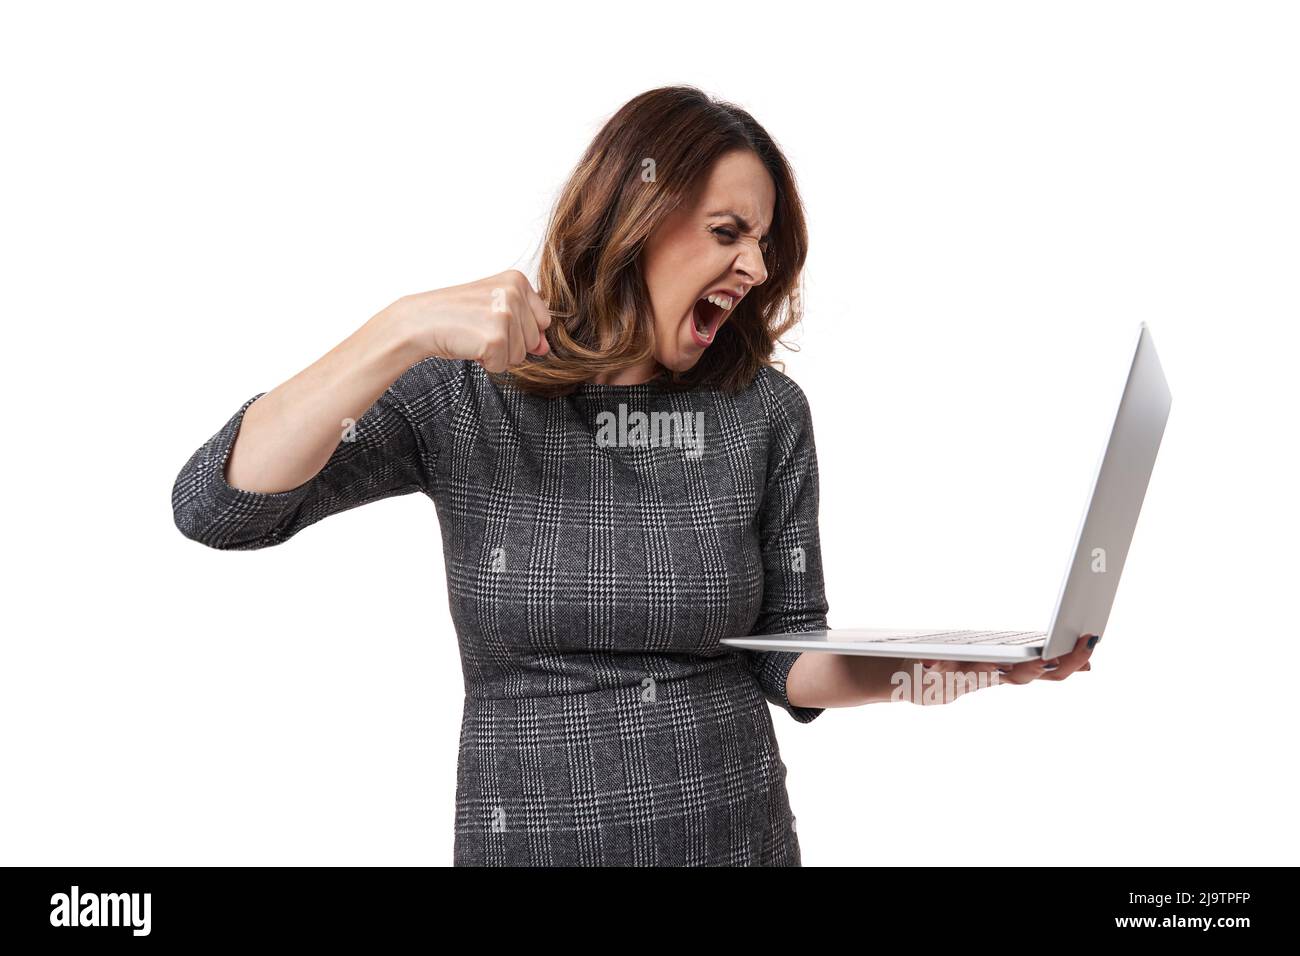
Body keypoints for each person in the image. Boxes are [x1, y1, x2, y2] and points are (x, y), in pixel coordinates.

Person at [171, 85, 1095, 866]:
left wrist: (967, 667)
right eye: (729, 230)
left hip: (742, 839)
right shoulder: (467, 399)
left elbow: (795, 662)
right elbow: (220, 505)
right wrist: (399, 330)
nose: (756, 266)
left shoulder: (764, 415)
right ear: (634, 217)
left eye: (765, 243)